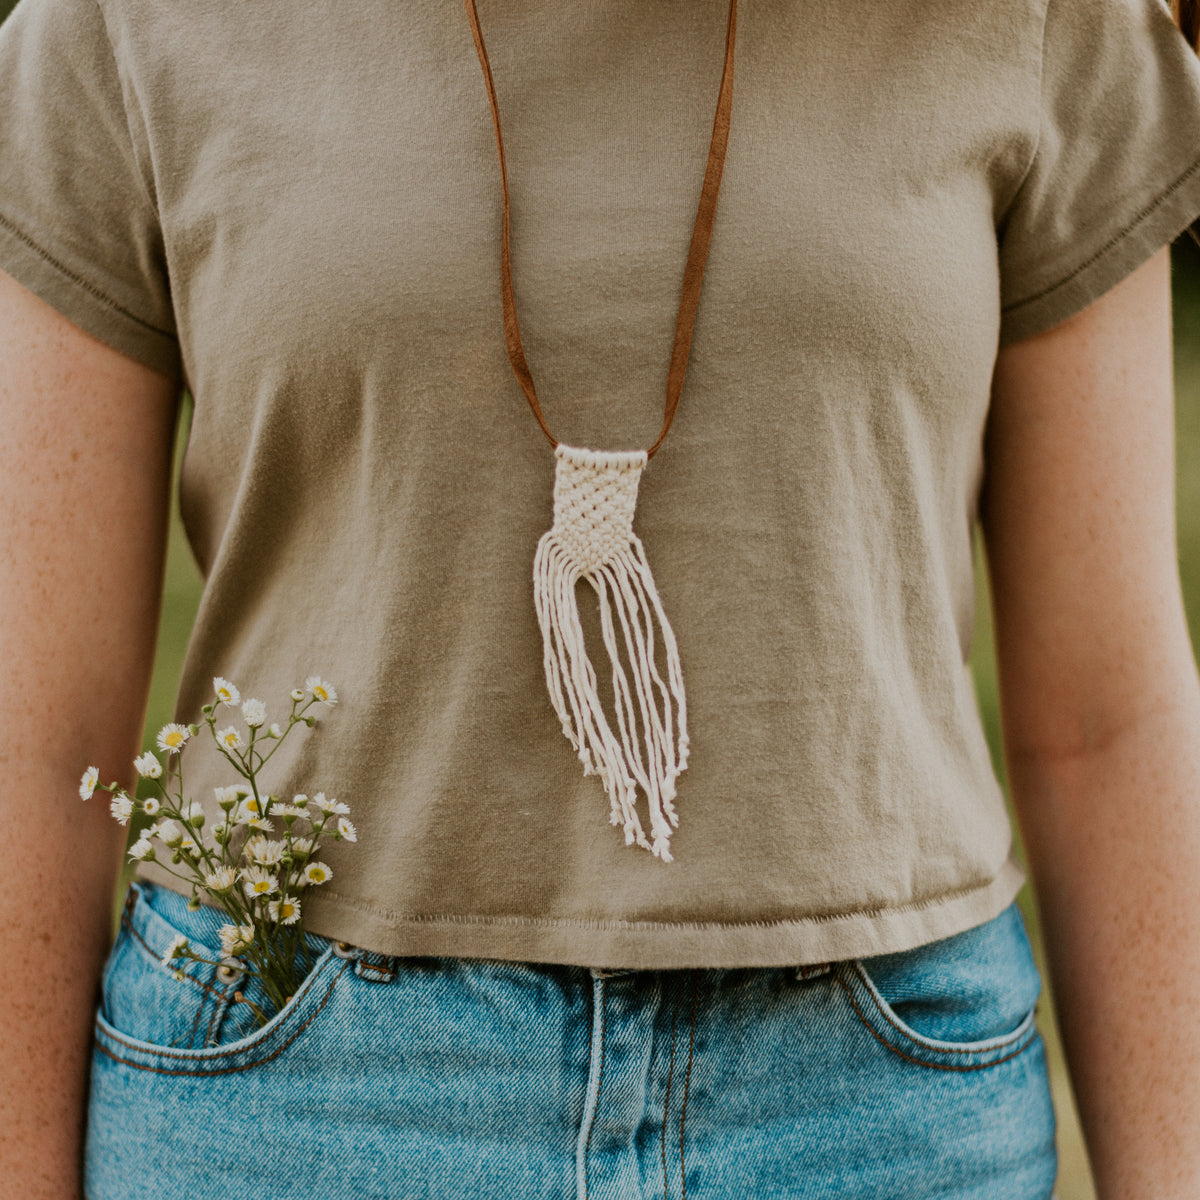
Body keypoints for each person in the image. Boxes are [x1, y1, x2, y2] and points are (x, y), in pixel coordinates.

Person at [3, 0, 1200, 1196]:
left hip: (873, 1104)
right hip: (303, 1096)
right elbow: (34, 734)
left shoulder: (1040, 22)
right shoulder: (132, 24)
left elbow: (1111, 718)